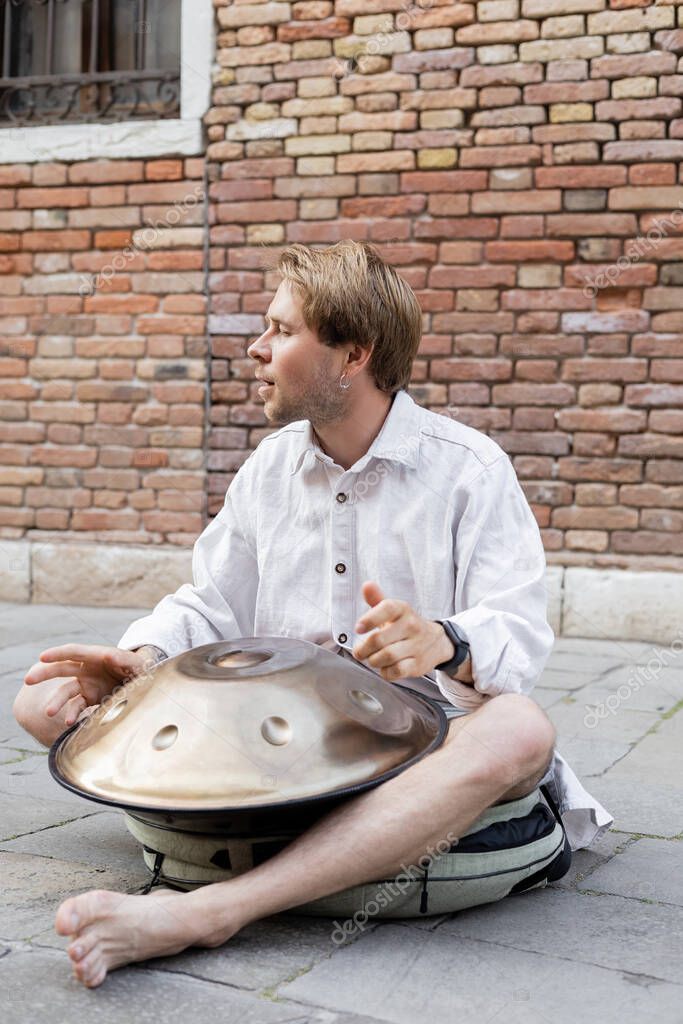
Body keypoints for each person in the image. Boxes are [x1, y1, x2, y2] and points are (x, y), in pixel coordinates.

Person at [14, 240, 612, 988]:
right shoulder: (269, 467)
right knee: (45, 700)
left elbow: (518, 633)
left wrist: (445, 641)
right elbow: (210, 602)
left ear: (352, 353)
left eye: (280, 330)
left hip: (422, 743)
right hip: (282, 743)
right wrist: (141, 659)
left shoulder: (469, 469)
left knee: (522, 729)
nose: (256, 350)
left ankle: (210, 908)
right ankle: (327, 850)